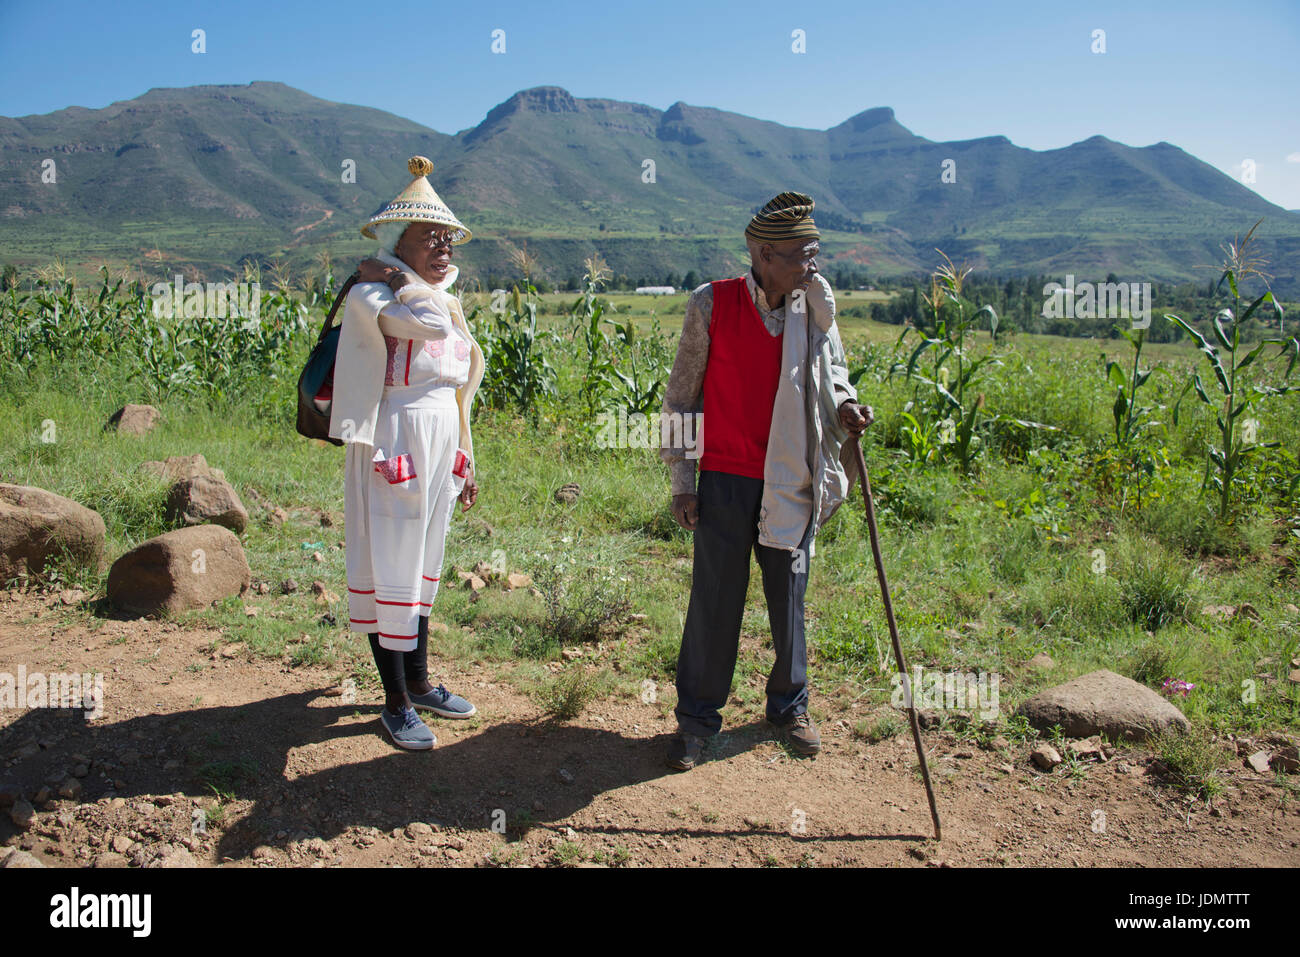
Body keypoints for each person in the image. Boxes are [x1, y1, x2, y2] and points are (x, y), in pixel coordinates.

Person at [659, 190, 874, 771]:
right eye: (801, 254)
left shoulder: (813, 308)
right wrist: (683, 479)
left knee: (789, 597)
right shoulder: (712, 303)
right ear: (761, 253)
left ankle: (789, 706)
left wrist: (849, 408)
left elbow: (836, 377)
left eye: (815, 252)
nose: (812, 265)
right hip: (727, 476)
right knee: (716, 600)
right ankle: (697, 720)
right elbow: (681, 394)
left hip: (793, 476)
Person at [328, 156, 482, 751]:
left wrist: (467, 454)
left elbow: (459, 384)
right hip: (393, 438)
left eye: (447, 239)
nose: (442, 248)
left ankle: (417, 682)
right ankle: (394, 702)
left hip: (440, 439)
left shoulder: (443, 297)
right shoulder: (379, 295)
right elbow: (429, 329)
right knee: (390, 564)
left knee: (421, 561)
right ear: (399, 246)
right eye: (428, 239)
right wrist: (394, 278)